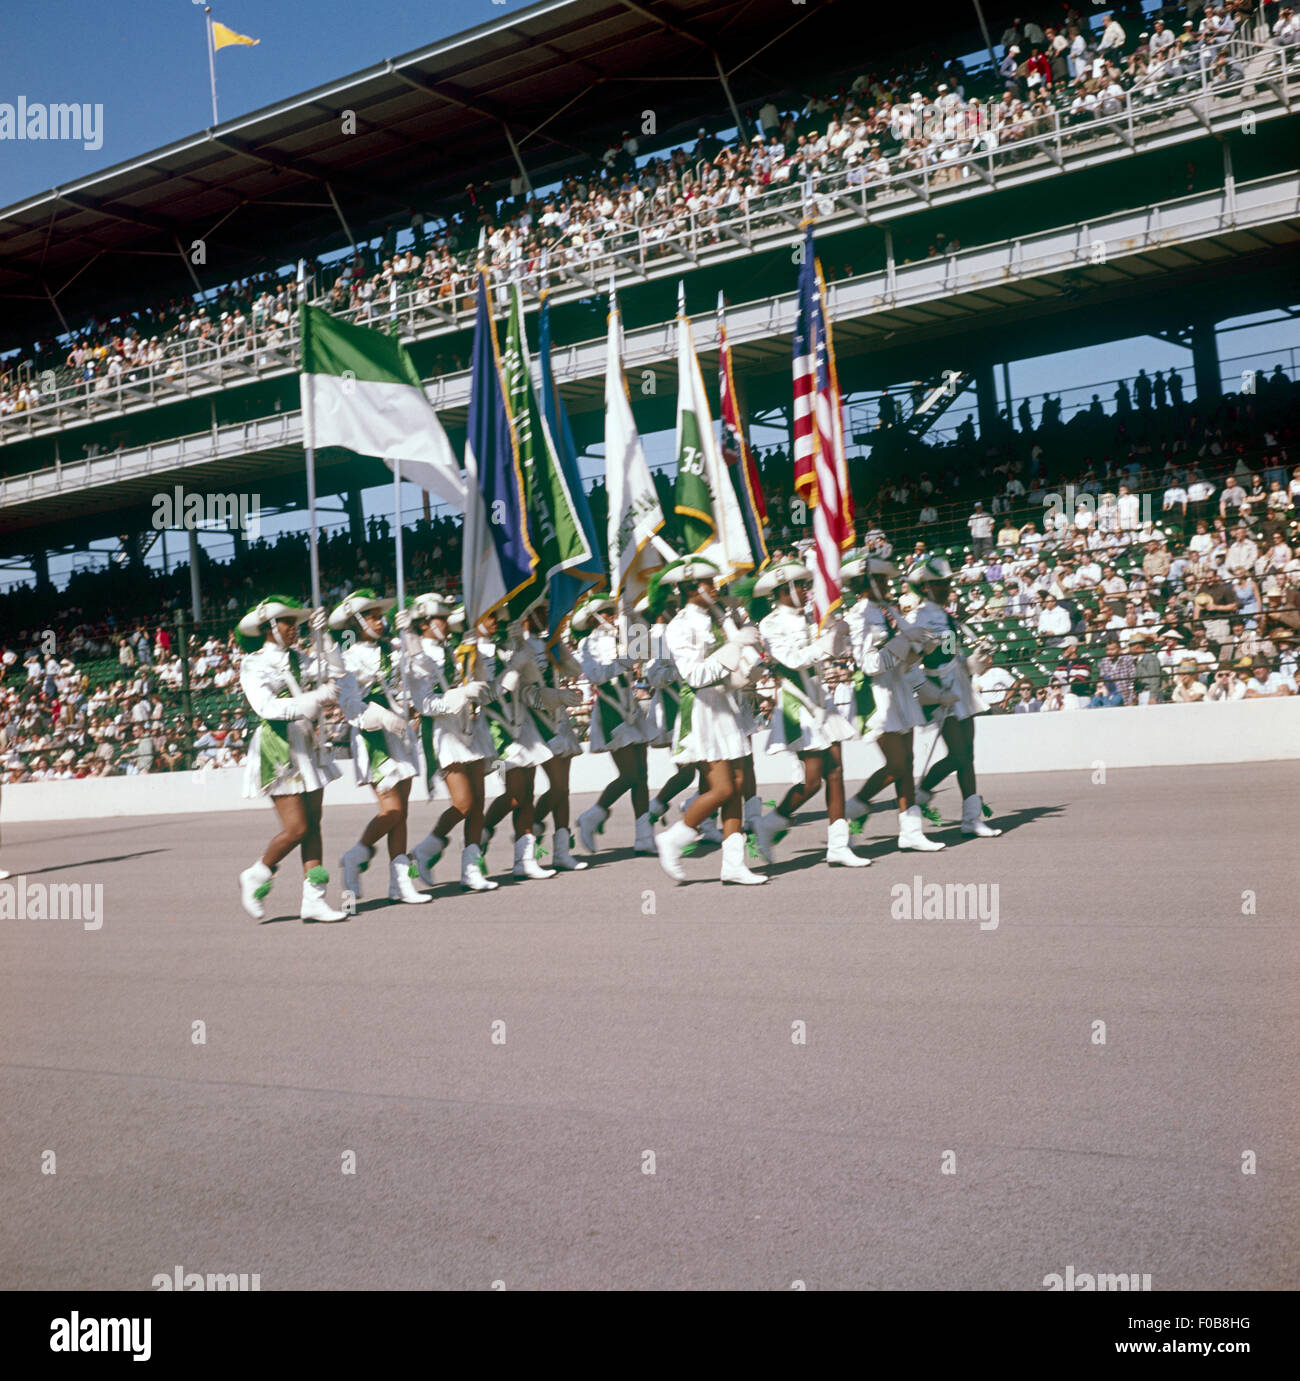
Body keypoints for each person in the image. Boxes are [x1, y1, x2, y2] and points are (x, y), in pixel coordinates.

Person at [235, 595, 357, 923]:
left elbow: (338, 674)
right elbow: (265, 708)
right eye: (288, 623)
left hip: (308, 743)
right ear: (270, 627)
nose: (294, 629)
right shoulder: (254, 663)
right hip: (279, 746)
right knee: (296, 828)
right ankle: (258, 873)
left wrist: (326, 640)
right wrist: (311, 700)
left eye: (296, 623)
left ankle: (314, 900)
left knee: (314, 825)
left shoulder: (300, 658)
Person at [653, 557, 768, 885]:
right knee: (722, 788)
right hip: (703, 710)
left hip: (727, 706)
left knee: (737, 785)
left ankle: (734, 864)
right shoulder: (679, 625)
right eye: (707, 584)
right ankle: (675, 837)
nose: (714, 589)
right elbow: (694, 675)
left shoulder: (717, 617)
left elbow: (732, 669)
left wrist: (750, 669)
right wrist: (733, 649)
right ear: (691, 588)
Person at [751, 561, 868, 866]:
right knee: (813, 781)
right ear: (784, 590)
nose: (806, 591)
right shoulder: (770, 624)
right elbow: (792, 659)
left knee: (837, 771)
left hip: (821, 699)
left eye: (805, 585)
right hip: (797, 705)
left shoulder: (813, 617)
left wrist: (840, 633)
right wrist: (825, 644)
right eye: (800, 586)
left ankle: (838, 845)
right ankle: (768, 824)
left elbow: (833, 650)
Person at [840, 554, 946, 851]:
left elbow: (906, 655)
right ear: (866, 583)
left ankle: (910, 831)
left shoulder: (888, 610)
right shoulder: (857, 616)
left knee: (907, 763)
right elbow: (869, 664)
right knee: (897, 764)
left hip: (898, 688)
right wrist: (902, 643)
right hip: (875, 694)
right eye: (882, 580)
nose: (887, 584)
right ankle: (855, 806)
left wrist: (921, 648)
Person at [332, 589, 430, 906]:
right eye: (372, 616)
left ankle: (399, 883)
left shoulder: (393, 648)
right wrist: (382, 716)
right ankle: (354, 856)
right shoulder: (347, 657)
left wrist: (412, 635)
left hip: (401, 734)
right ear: (357, 622)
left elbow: (422, 673)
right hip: (374, 737)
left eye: (380, 615)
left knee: (402, 815)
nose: (380, 620)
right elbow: (349, 705)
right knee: (392, 811)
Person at [405, 595, 498, 891]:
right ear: (425, 624)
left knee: (479, 805)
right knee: (463, 803)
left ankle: (471, 869)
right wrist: (461, 695)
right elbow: (425, 704)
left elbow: (481, 685)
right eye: (441, 619)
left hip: (471, 729)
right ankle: (425, 850)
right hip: (444, 735)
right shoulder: (417, 659)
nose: (447, 623)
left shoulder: (458, 649)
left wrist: (477, 663)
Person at [906, 557, 1001, 837]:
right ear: (925, 588)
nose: (946, 588)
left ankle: (970, 819)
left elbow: (952, 652)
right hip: (939, 689)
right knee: (959, 755)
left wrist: (976, 659)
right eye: (939, 584)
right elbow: (914, 660)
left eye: (947, 583)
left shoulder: (948, 616)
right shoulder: (918, 618)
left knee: (966, 754)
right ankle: (922, 792)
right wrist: (931, 690)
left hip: (959, 684)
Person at [471, 610, 558, 882]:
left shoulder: (506, 648)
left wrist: (552, 696)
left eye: (498, 616)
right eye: (490, 616)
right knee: (514, 793)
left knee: (528, 791)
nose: (495, 621)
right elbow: (486, 696)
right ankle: (481, 833)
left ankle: (525, 859)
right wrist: (512, 669)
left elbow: (525, 690)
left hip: (523, 725)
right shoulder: (471, 652)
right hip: (495, 730)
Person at [574, 595, 656, 855]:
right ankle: (593, 814)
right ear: (593, 619)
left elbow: (647, 651)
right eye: (606, 612)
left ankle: (644, 836)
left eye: (612, 611)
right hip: (611, 709)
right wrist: (622, 661)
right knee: (629, 775)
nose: (611, 616)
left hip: (629, 705)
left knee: (642, 776)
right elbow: (596, 674)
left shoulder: (622, 636)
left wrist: (634, 618)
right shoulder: (587, 643)